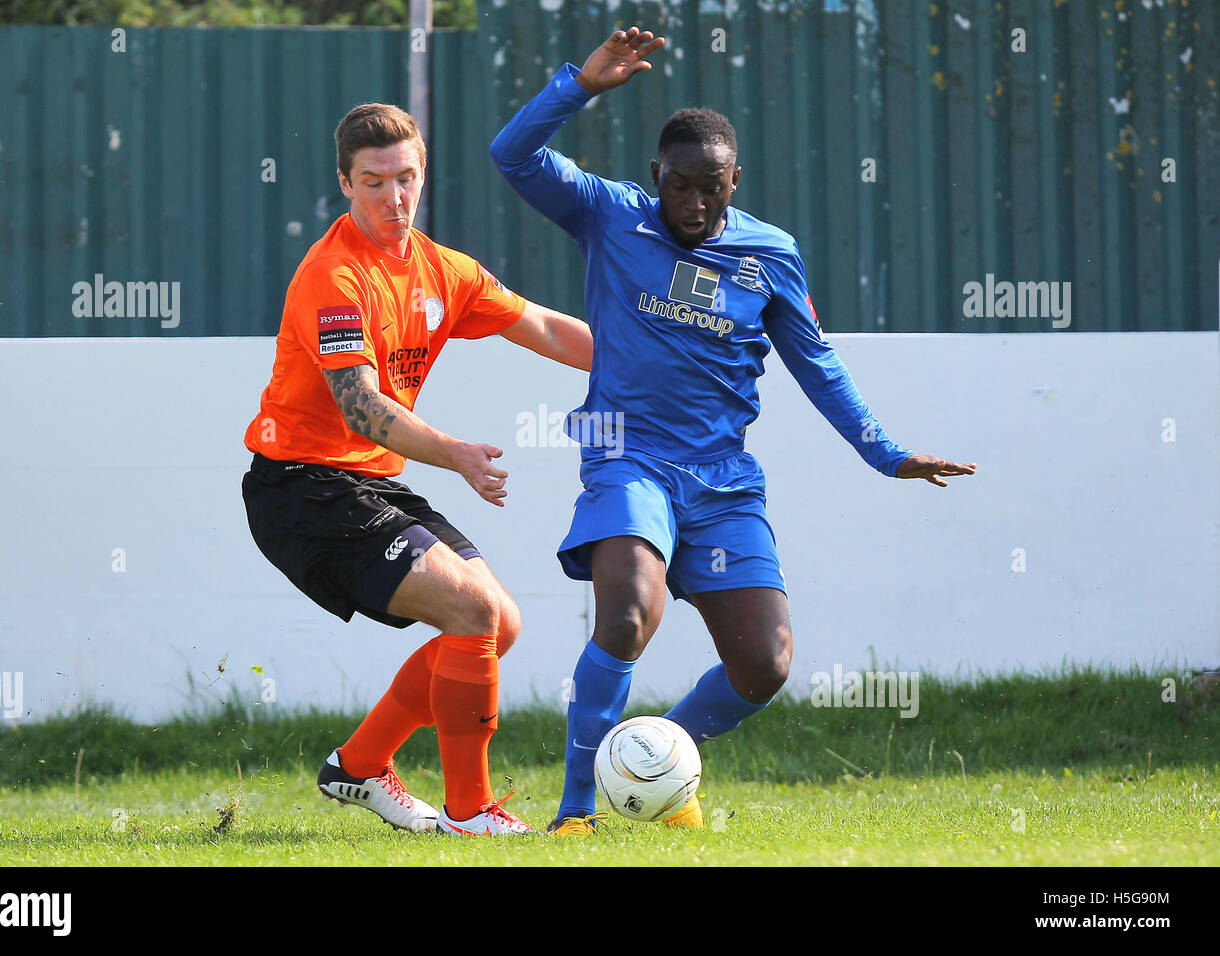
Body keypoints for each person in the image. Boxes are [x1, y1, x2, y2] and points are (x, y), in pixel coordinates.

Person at [490, 28, 976, 836]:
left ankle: (657, 772)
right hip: (628, 458)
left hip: (719, 479)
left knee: (764, 663)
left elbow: (817, 364)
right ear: (657, 176)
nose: (694, 203)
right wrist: (577, 85)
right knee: (626, 616)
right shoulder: (612, 216)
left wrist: (886, 453)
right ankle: (577, 809)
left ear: (734, 180)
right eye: (680, 184)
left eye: (711, 187)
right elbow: (514, 156)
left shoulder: (770, 256)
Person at [243, 102, 592, 836]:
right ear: (344, 182)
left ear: (422, 174)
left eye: (405, 179)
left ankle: (360, 766)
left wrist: (667, 353)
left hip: (363, 484)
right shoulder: (334, 278)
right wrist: (458, 454)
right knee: (473, 612)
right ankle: (469, 811)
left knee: (502, 623)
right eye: (373, 183)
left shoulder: (442, 269)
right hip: (300, 489)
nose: (393, 199)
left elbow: (548, 328)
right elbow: (361, 407)